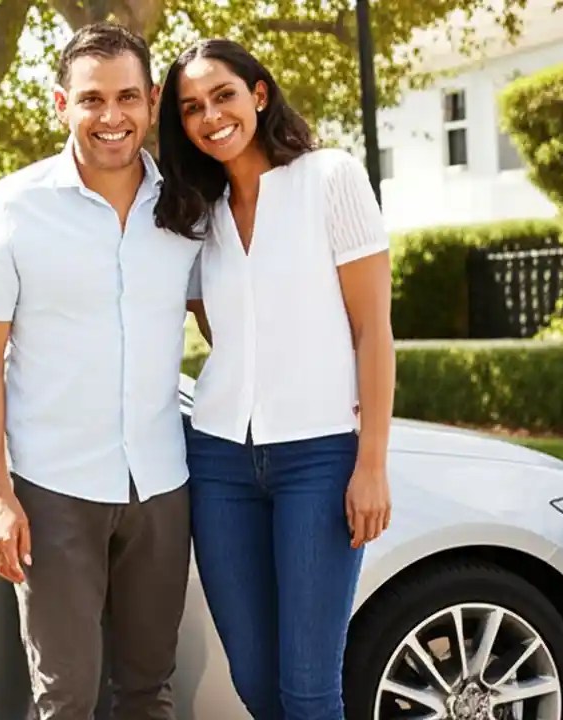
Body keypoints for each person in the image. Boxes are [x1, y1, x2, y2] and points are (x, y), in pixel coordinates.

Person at [0, 21, 202, 720]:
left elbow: (232, 321)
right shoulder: (10, 209)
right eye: (92, 99)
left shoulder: (189, 206)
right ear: (61, 105)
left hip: (160, 483)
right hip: (53, 488)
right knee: (64, 699)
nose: (112, 117)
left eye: (127, 97)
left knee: (151, 691)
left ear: (153, 102)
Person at [153, 38, 396, 719]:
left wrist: (370, 463)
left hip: (318, 458)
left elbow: (372, 331)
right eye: (192, 107)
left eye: (223, 96)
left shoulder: (331, 178)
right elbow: (218, 332)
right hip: (220, 461)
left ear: (259, 93)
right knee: (257, 682)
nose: (210, 116)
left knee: (309, 689)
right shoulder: (197, 214)